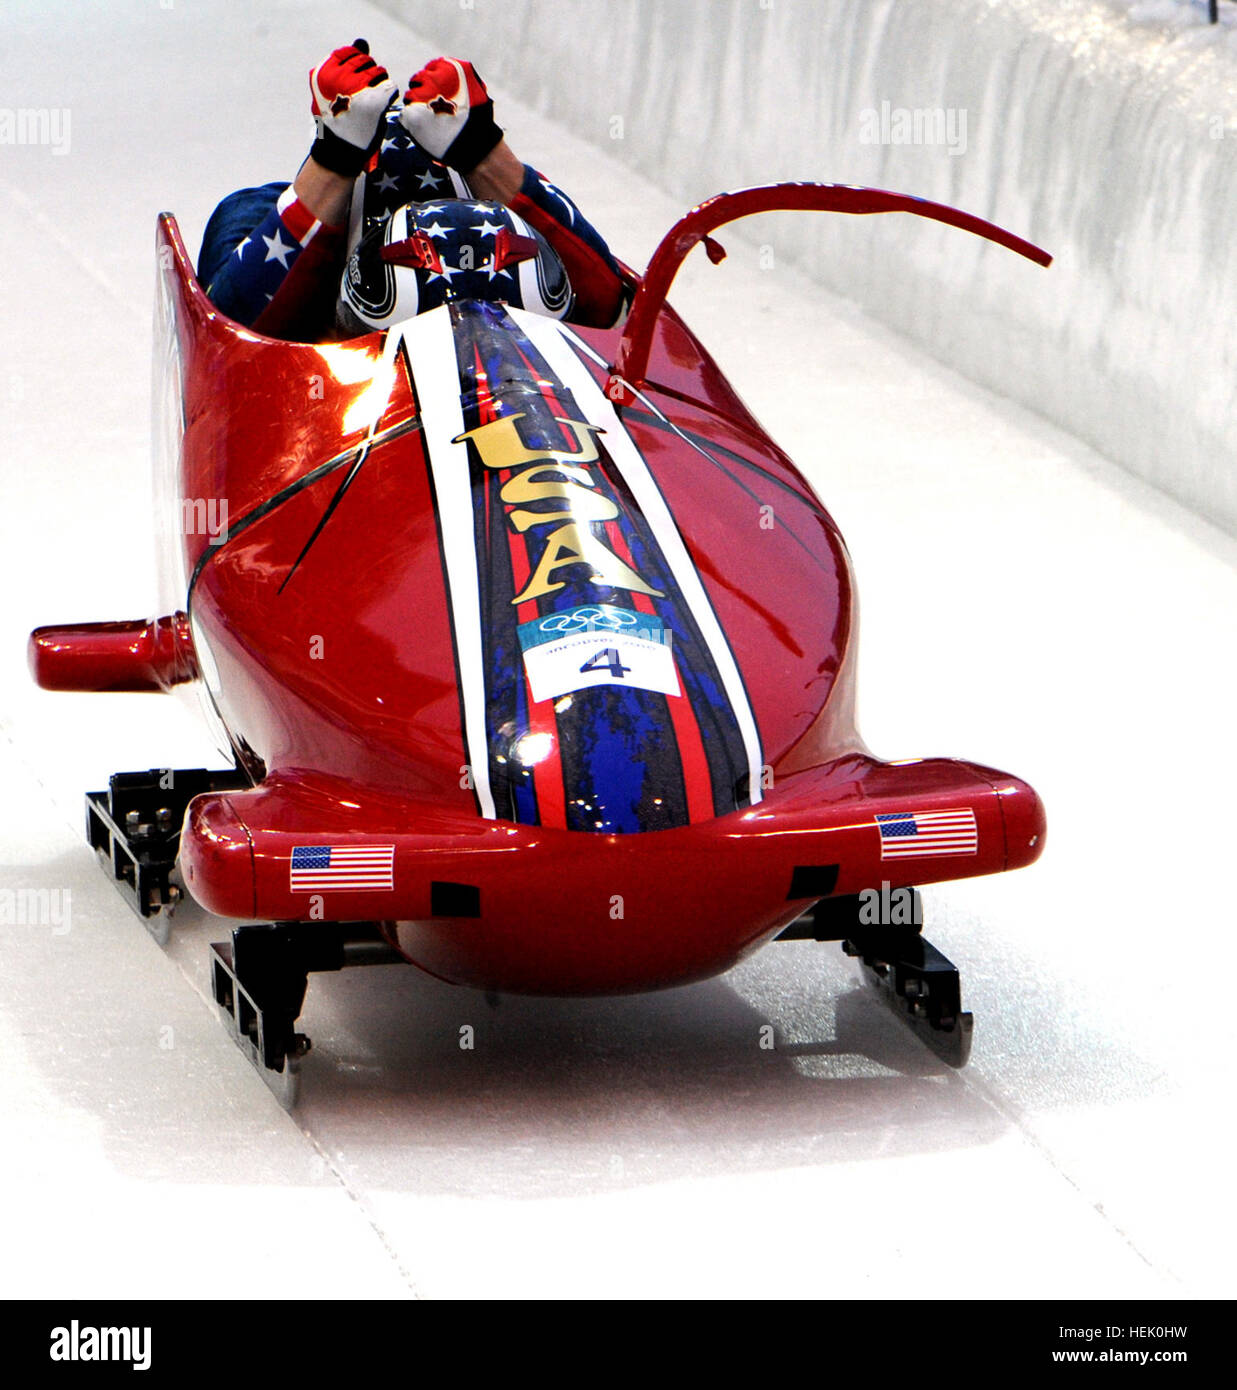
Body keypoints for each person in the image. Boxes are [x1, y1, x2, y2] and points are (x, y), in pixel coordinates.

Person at [198, 41, 627, 342]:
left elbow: (615, 316)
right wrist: (335, 163)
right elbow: (223, 333)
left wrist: (484, 154)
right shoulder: (253, 212)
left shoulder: (527, 236)